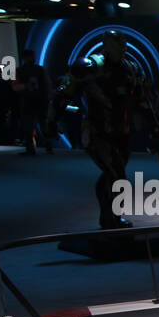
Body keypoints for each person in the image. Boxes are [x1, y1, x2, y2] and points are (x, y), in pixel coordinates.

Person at [64, 31, 145, 228]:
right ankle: (112, 220)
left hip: (121, 131)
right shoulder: (91, 66)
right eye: (118, 44)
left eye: (124, 44)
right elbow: (65, 91)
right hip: (98, 131)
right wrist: (52, 119)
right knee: (117, 176)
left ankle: (109, 218)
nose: (123, 48)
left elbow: (142, 98)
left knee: (113, 174)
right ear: (107, 45)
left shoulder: (130, 68)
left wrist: (153, 123)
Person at [14, 50, 50, 155]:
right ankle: (46, 146)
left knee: (31, 125)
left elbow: (15, 86)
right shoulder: (39, 69)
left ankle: (32, 148)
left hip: (31, 100)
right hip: (36, 100)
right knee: (39, 124)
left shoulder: (20, 70)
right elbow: (47, 83)